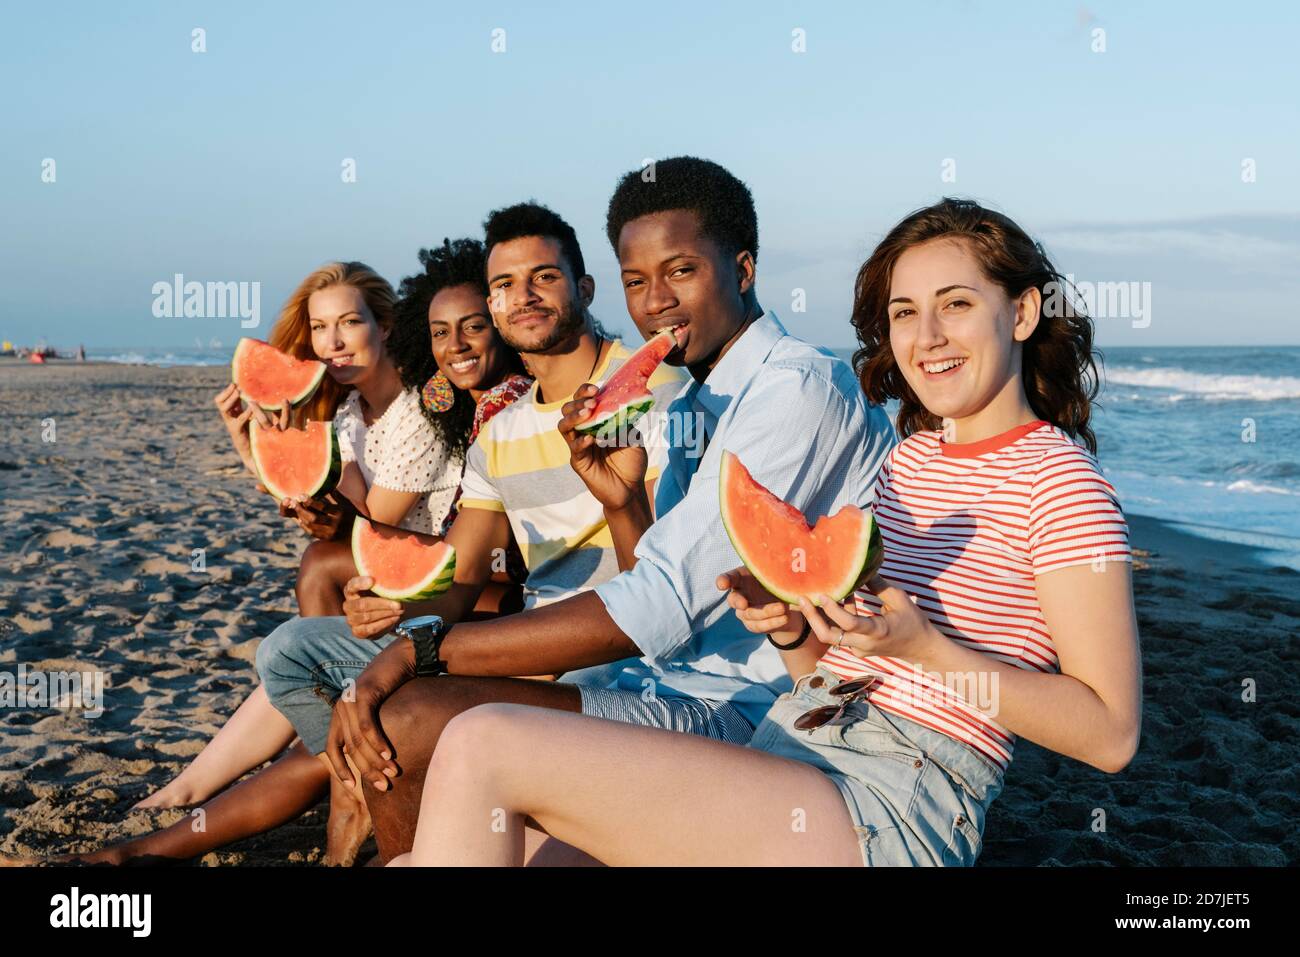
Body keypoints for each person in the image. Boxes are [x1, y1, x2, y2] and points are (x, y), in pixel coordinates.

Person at [390, 197, 1144, 867]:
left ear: (1019, 313)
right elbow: (840, 673)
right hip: (797, 746)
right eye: (906, 312)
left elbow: (1110, 734)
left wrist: (930, 650)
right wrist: (791, 633)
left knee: (480, 740)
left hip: (894, 804)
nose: (927, 335)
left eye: (955, 305)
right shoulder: (912, 459)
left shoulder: (1062, 484)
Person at [306, 157, 897, 863]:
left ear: (742, 270)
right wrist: (619, 500)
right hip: (661, 680)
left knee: (409, 715)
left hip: (753, 711)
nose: (657, 303)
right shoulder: (689, 397)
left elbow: (662, 605)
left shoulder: (796, 390)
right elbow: (661, 583)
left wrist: (418, 647)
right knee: (418, 734)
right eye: (637, 282)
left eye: (681, 271)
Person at [6, 248, 533, 867]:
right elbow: (307, 491)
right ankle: (198, 790)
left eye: (349, 323)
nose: (332, 343)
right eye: (319, 328)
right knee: (312, 621)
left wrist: (303, 467)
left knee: (319, 573)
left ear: (387, 326)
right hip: (429, 587)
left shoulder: (431, 407)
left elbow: (372, 524)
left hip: (470, 593)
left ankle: (233, 799)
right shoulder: (348, 412)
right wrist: (251, 439)